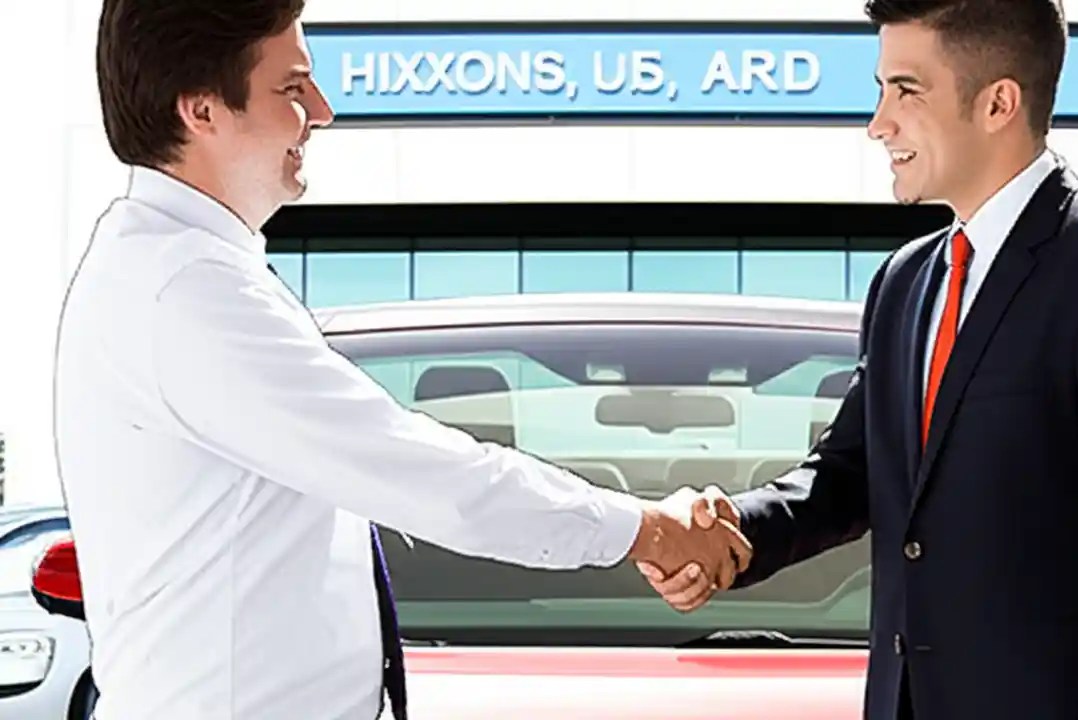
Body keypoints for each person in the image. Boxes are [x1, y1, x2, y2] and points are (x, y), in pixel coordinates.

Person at [53, 2, 748, 719]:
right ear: (202, 110)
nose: (322, 112)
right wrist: (645, 529)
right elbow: (419, 473)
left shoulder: (177, 272)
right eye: (292, 89)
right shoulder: (184, 294)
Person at [638, 1, 1078, 718]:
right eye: (881, 91)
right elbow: (848, 475)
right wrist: (735, 528)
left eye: (905, 90)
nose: (878, 123)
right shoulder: (905, 281)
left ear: (998, 102)